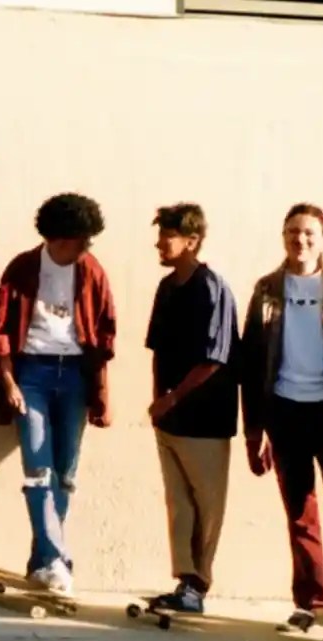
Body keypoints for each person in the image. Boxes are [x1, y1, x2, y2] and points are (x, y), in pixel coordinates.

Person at [240, 202, 323, 632]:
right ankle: (309, 602)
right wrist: (254, 430)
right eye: (293, 232)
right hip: (284, 412)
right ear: (284, 237)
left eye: (309, 233)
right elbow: (251, 361)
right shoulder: (266, 290)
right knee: (300, 512)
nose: (301, 240)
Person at [0, 192, 116, 597]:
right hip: (32, 374)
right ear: (59, 238)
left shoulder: (92, 271)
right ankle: (58, 559)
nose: (86, 246)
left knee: (66, 474)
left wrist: (100, 389)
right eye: (81, 239)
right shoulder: (23, 269)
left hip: (75, 375)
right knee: (38, 469)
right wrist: (9, 382)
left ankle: (43, 563)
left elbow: (106, 333)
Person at [145, 203, 240, 614]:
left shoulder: (212, 288)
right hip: (169, 418)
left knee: (207, 504)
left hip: (206, 419)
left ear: (192, 241)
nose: (160, 244)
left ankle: (199, 584)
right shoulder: (166, 288)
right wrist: (158, 402)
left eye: (168, 236)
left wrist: (173, 397)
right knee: (178, 502)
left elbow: (215, 358)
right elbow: (156, 348)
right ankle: (183, 581)